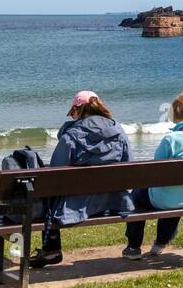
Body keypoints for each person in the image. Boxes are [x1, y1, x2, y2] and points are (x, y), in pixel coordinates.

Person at [31, 90, 133, 268]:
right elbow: (129, 166)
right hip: (115, 202)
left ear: (79, 110)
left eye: (73, 112)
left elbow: (55, 173)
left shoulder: (72, 136)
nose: (73, 116)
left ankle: (51, 250)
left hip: (75, 207)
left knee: (48, 193)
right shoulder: (119, 131)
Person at [124, 92, 183, 259]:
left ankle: (133, 247)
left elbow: (154, 170)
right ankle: (160, 243)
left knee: (136, 196)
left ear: (174, 113)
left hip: (165, 200)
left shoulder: (170, 139)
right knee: (176, 194)